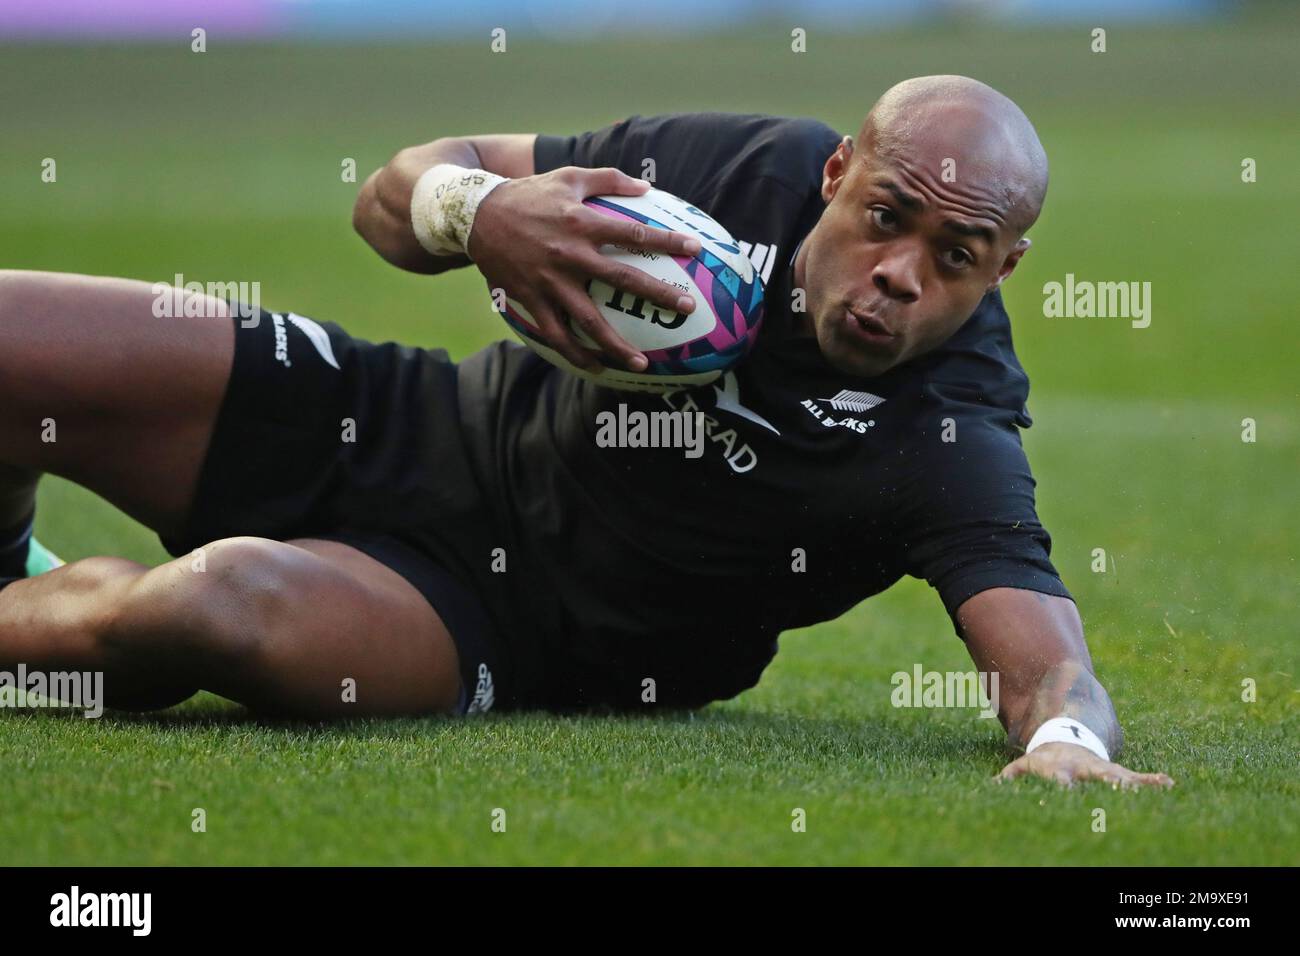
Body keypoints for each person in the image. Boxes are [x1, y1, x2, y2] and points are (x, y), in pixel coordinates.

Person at [0, 75, 1173, 788]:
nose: (898, 276)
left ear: (1004, 266)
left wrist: (1068, 736)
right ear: (834, 175)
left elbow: (1045, 662)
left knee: (215, 607)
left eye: (953, 257)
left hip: (494, 618)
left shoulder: (949, 429)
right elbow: (391, 197)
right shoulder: (740, 170)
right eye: (885, 218)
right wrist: (481, 210)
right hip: (398, 416)